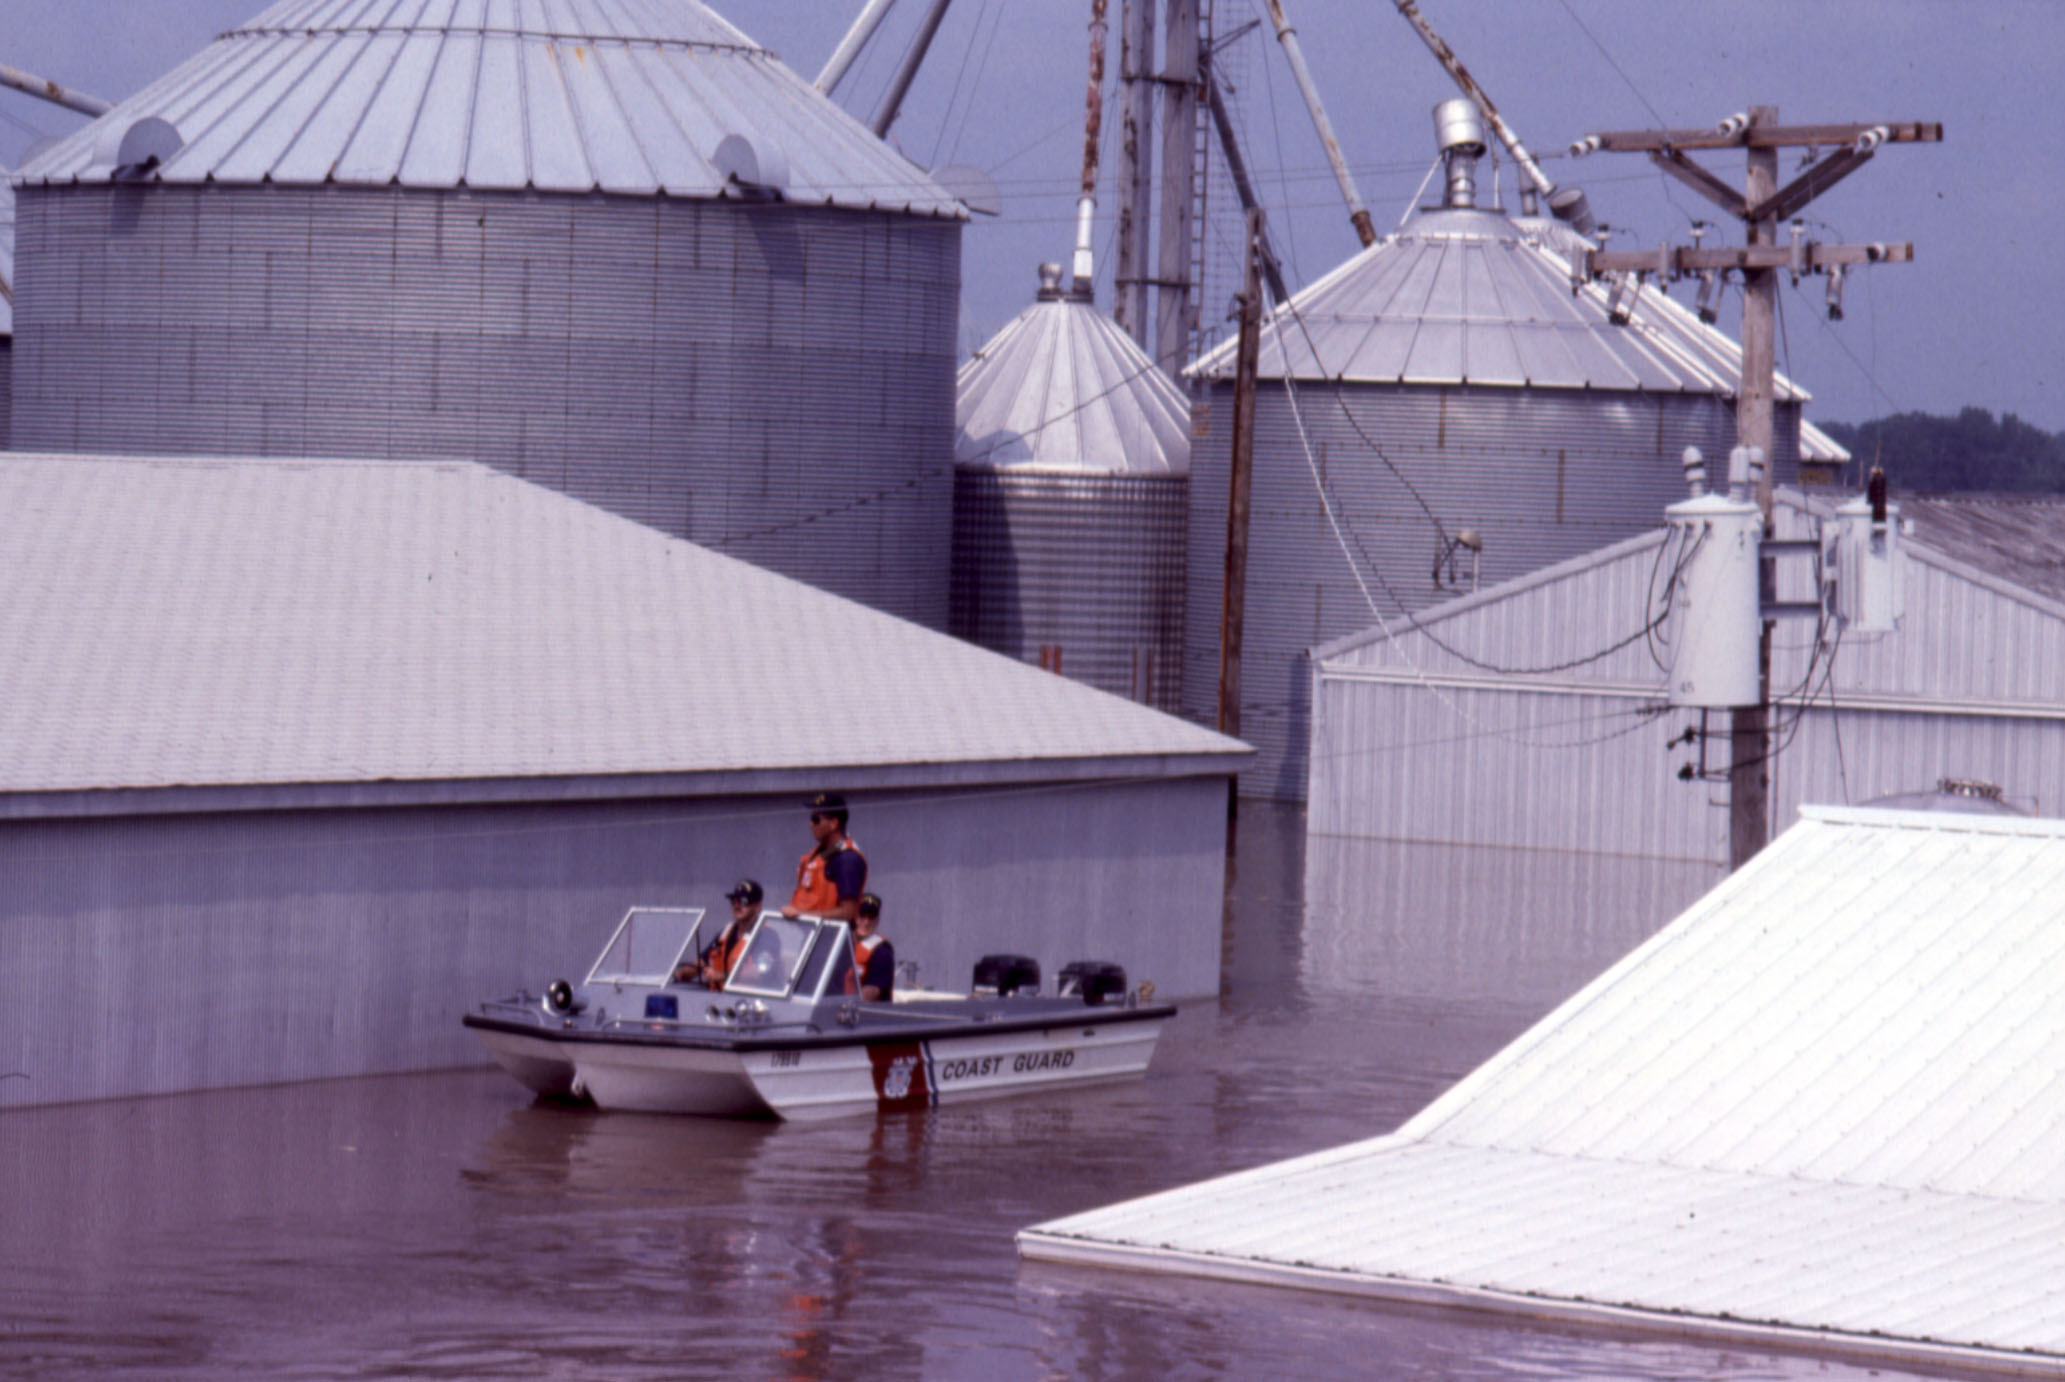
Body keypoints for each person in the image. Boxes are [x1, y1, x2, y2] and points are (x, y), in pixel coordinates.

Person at [782, 791, 866, 923]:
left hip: (829, 938)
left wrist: (801, 914)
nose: (811, 824)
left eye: (816, 819)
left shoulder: (847, 859)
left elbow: (848, 911)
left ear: (833, 823)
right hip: (808, 933)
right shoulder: (821, 852)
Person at [673, 878, 762, 989]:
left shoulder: (765, 936)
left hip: (748, 1001)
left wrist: (722, 977)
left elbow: (761, 975)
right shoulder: (726, 933)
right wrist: (680, 973)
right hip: (718, 999)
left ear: (757, 906)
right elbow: (703, 962)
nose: (737, 905)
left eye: (744, 902)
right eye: (734, 900)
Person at [845, 892, 895, 1002]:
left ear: (877, 921)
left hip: (868, 1014)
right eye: (862, 916)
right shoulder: (843, 944)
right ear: (855, 918)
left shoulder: (882, 952)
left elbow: (872, 992)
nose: (866, 923)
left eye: (871, 918)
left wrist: (843, 1006)